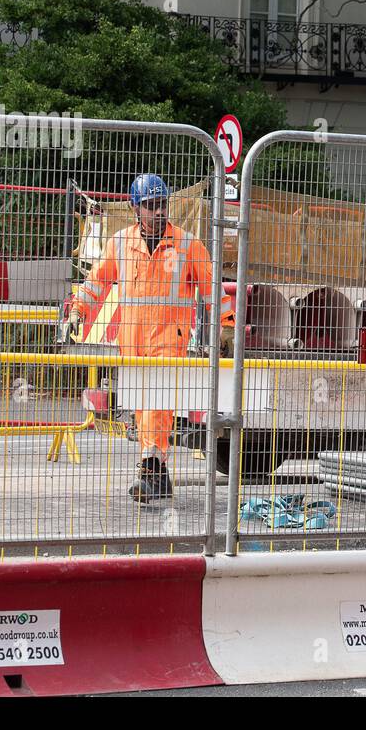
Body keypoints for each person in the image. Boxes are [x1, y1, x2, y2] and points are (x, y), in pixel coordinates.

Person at [64, 174, 235, 503]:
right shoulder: (120, 243)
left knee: (157, 403)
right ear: (135, 208)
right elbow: (96, 283)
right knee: (143, 408)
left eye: (162, 205)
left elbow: (213, 288)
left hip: (169, 338)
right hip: (133, 341)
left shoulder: (187, 244)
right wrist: (78, 311)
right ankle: (158, 473)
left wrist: (226, 324)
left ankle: (149, 466)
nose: (158, 212)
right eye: (151, 206)